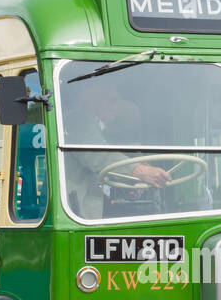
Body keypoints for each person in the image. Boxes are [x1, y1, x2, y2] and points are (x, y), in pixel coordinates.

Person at [66, 79, 172, 217]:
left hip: (98, 204)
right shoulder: (79, 119)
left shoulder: (102, 131)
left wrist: (140, 162)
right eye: (112, 100)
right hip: (78, 212)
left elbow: (117, 151)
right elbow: (99, 156)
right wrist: (138, 170)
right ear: (92, 99)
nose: (117, 106)